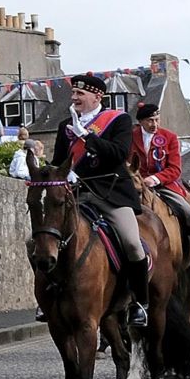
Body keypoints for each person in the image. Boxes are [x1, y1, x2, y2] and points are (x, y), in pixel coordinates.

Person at [60, 73, 153, 327]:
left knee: (133, 243)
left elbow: (119, 154)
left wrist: (87, 137)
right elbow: (59, 161)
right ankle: (49, 298)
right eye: (74, 93)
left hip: (110, 192)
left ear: (96, 96)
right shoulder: (65, 125)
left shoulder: (118, 120)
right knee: (42, 240)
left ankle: (139, 304)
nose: (74, 97)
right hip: (76, 194)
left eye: (80, 94)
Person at [132, 102, 190, 267]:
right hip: (135, 185)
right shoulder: (130, 137)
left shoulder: (169, 137)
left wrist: (155, 179)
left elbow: (175, 168)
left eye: (157, 119)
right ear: (141, 122)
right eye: (150, 120)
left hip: (164, 185)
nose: (155, 124)